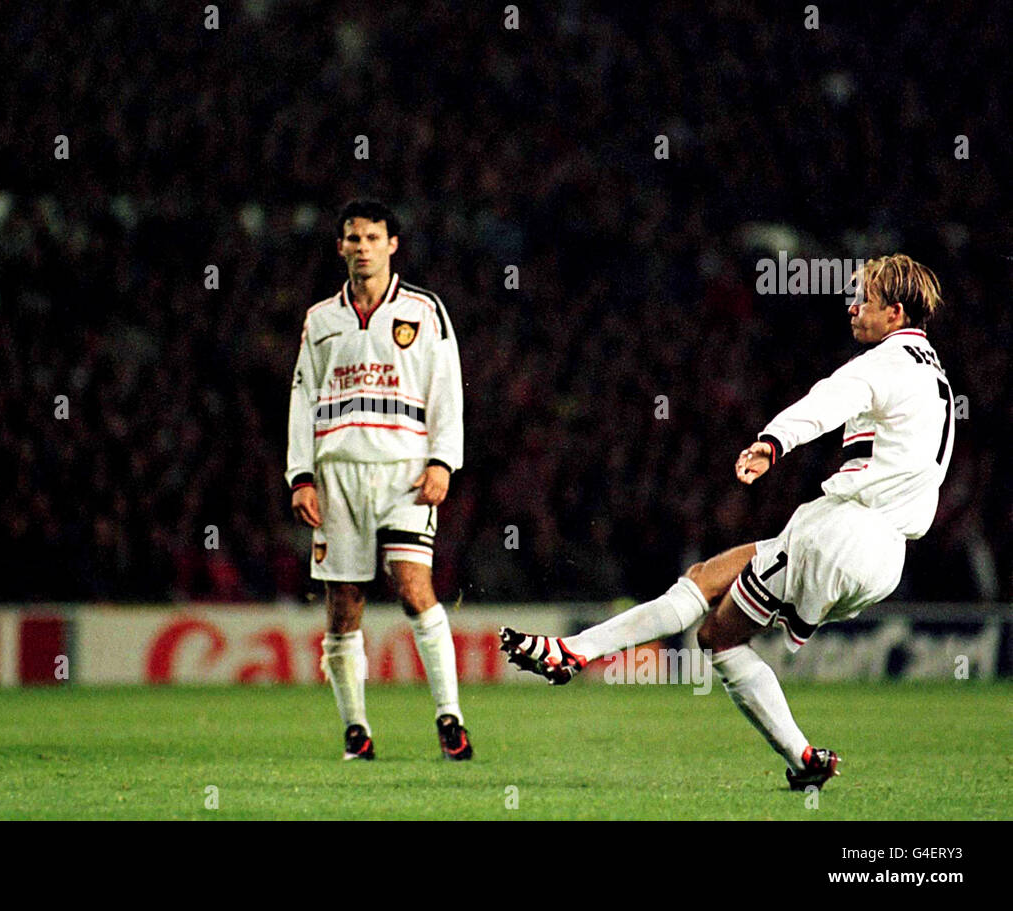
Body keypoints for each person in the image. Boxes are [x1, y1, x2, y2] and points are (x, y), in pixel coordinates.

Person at [501, 254, 951, 790]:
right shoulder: (934, 374)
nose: (850, 307)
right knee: (704, 579)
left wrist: (771, 441)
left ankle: (575, 652)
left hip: (844, 530)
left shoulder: (885, 363)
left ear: (895, 311)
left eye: (862, 299)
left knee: (718, 637)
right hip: (883, 554)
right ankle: (574, 652)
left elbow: (826, 401)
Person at [287, 200, 470, 760]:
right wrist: (301, 475)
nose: (361, 246)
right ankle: (356, 731)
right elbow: (301, 398)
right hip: (338, 474)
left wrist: (443, 461)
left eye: (372, 237)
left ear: (393, 245)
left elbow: (448, 388)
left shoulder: (424, 309)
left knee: (414, 588)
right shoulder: (321, 319)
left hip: (404, 471)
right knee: (343, 604)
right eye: (352, 238)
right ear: (340, 247)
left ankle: (450, 719)